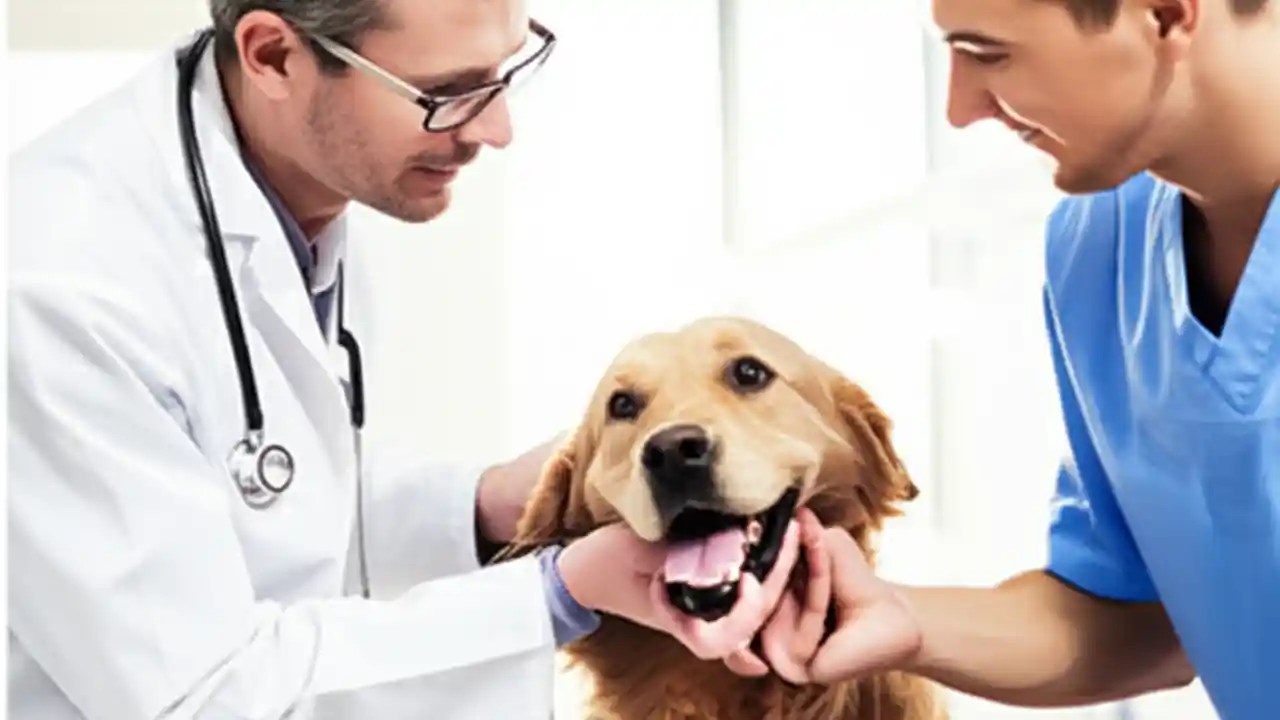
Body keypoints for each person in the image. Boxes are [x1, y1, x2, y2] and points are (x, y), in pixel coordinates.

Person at [6, 1, 803, 718]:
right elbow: (198, 692)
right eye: (444, 92)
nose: (495, 129)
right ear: (273, 56)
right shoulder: (59, 281)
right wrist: (554, 595)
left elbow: (265, 486)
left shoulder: (299, 180)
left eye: (505, 72)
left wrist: (486, 508)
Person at [732, 0, 1280, 717]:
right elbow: (1144, 618)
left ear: (1166, 14)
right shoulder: (1100, 245)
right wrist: (899, 617)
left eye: (987, 54)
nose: (960, 108)